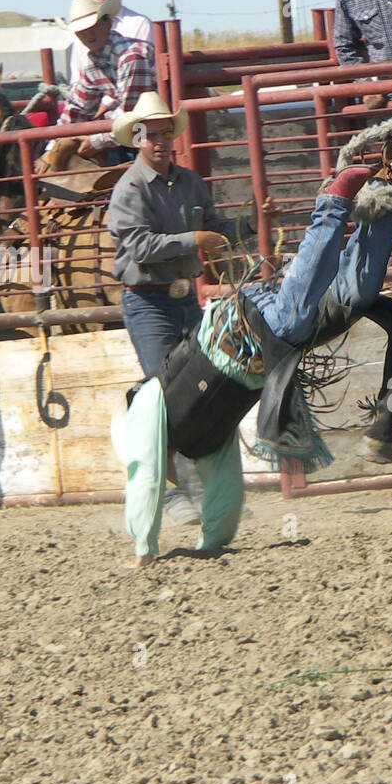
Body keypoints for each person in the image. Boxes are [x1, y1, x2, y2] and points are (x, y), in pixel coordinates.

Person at [118, 133, 392, 568]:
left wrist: (144, 550)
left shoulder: (148, 413)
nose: (166, 469)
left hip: (247, 326)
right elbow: (226, 491)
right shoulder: (206, 441)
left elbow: (144, 478)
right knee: (354, 298)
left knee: (293, 317)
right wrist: (212, 543)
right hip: (265, 349)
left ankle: (333, 201)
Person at [105, 92, 239, 525]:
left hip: (183, 301)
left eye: (166, 133)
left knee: (194, 392)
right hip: (148, 302)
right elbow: (139, 246)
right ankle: (170, 493)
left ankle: (196, 492)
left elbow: (215, 228)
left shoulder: (190, 183)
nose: (160, 141)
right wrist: (194, 241)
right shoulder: (129, 188)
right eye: (151, 134)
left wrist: (250, 223)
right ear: (138, 139)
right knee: (164, 396)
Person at [36, 0, 155, 174]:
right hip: (134, 134)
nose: (87, 34)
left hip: (154, 133)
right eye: (81, 30)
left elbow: (132, 116)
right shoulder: (93, 64)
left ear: (108, 23)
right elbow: (76, 110)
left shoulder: (131, 57)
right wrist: (51, 149)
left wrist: (96, 141)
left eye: (93, 26)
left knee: (125, 166)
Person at [66, 0, 153, 100]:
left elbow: (140, 72)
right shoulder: (79, 27)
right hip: (91, 102)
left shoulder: (139, 23)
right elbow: (77, 80)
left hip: (134, 100)